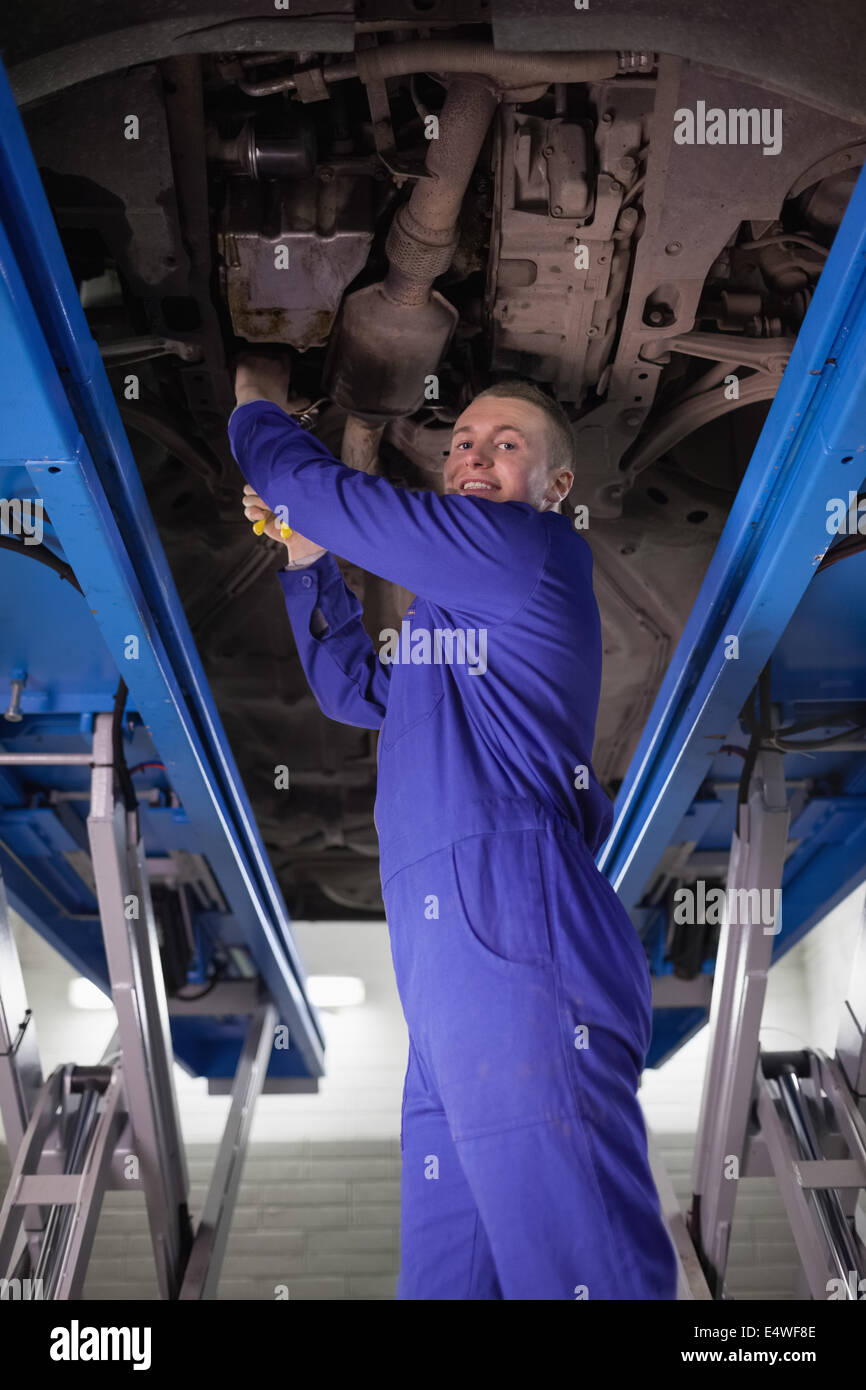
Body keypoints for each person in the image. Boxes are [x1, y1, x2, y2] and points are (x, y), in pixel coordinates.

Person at [229, 355, 679, 1300]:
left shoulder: (530, 555)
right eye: (462, 442)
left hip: (519, 934)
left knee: (574, 1265)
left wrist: (255, 408)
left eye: (505, 446)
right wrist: (309, 559)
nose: (473, 458)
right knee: (448, 1278)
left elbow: (310, 485)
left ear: (555, 489)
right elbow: (355, 688)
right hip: (448, 971)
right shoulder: (449, 631)